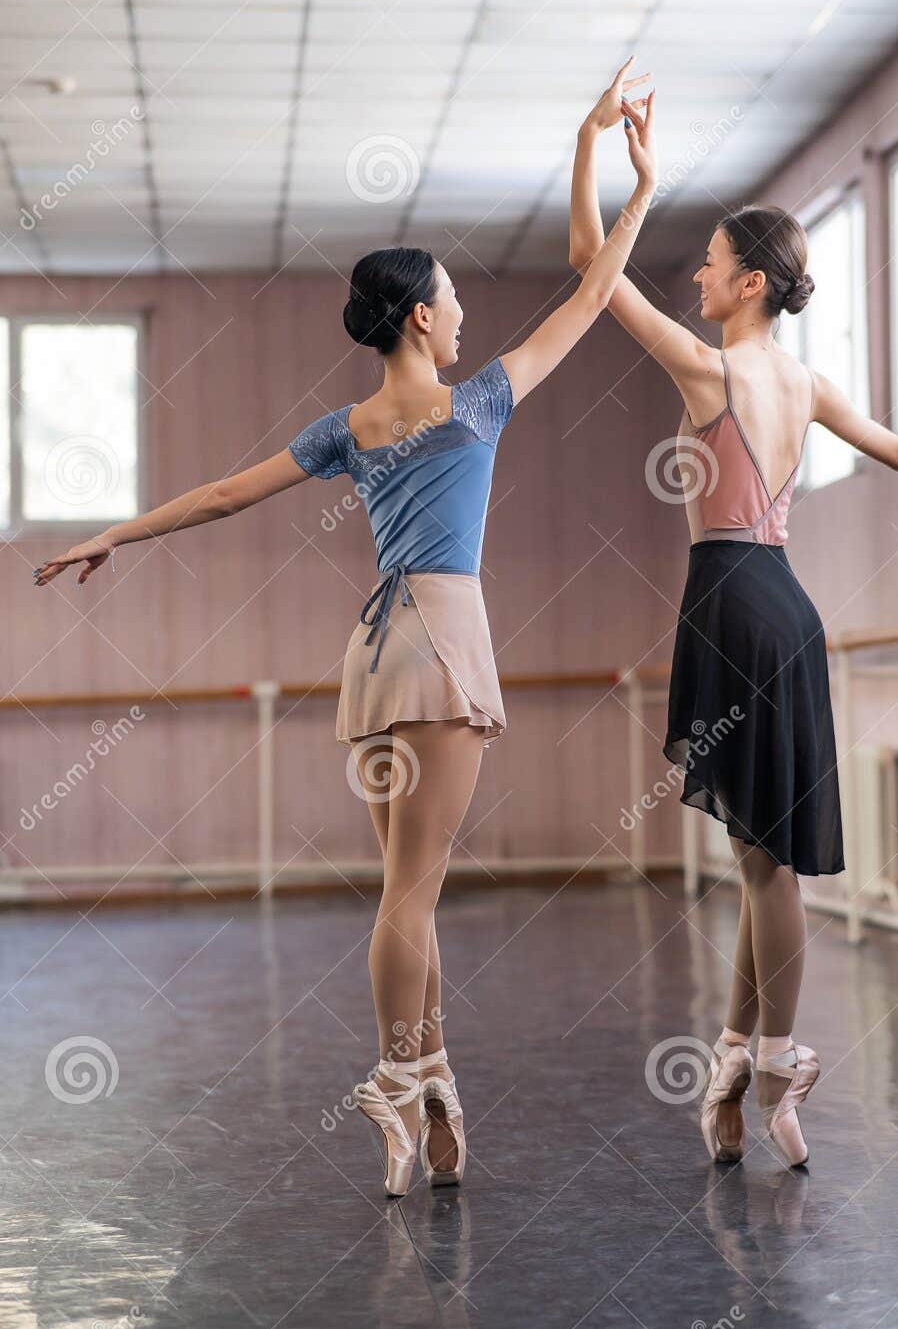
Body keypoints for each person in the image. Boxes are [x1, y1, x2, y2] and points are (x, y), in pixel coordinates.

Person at [33, 65, 658, 1197]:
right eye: (455, 298)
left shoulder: (349, 424)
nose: (466, 313)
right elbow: (593, 289)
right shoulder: (478, 404)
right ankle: (390, 1081)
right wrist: (623, 171)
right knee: (412, 894)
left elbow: (225, 492)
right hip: (442, 643)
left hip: (377, 650)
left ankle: (433, 1076)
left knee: (399, 887)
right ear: (421, 315)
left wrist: (114, 534)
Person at [569, 83, 898, 1168]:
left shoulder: (709, 366)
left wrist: (606, 155)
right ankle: (739, 1059)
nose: (693, 276)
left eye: (706, 263)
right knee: (756, 860)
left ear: (745, 285)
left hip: (733, 598)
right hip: (783, 599)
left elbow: (586, 262)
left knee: (767, 864)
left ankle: (782, 1061)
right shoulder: (804, 379)